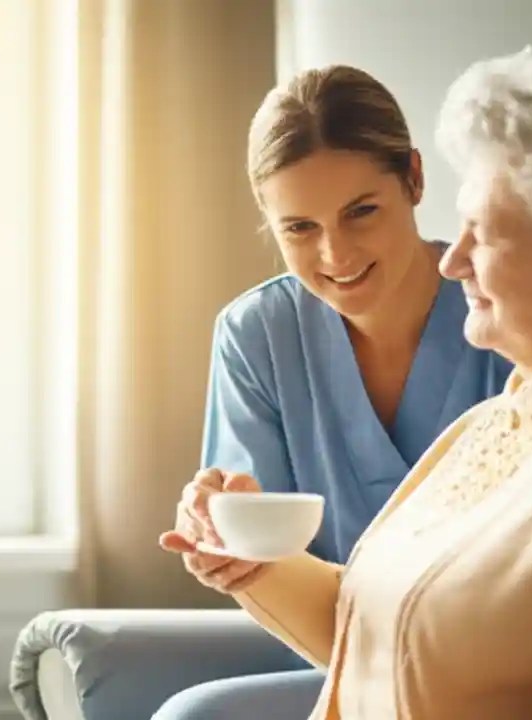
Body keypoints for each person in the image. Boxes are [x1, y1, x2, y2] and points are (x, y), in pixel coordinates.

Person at [166, 42, 532, 719]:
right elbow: (380, 636)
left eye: (485, 233)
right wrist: (250, 560)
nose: (454, 262)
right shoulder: (506, 420)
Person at [153, 66, 510, 718]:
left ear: (415, 178)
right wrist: (223, 539)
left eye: (361, 212)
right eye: (299, 228)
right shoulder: (256, 336)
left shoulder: (509, 312)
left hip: (494, 669)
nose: (336, 254)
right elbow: (259, 544)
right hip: (339, 662)